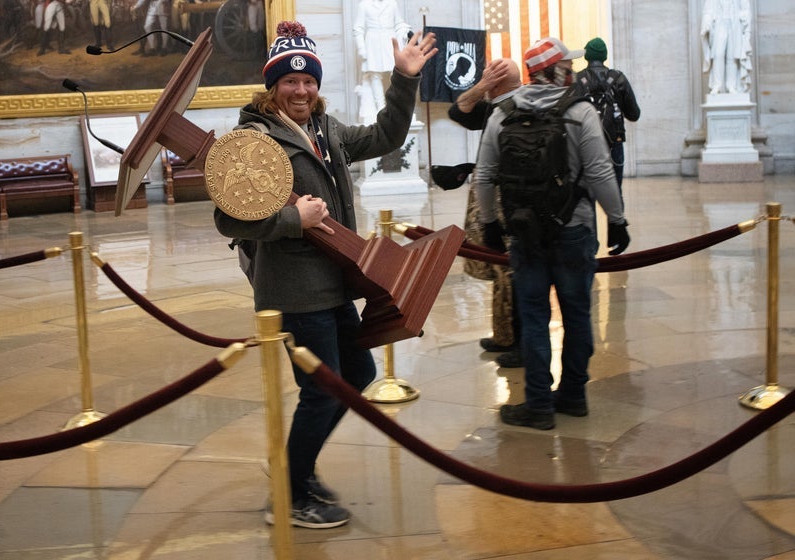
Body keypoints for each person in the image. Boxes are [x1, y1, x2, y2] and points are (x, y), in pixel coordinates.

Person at [214, 20, 438, 528]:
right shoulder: (253, 140)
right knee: (322, 389)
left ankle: (297, 464)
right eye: (290, 81)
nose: (301, 90)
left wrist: (404, 79)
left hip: (335, 282)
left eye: (309, 80)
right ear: (272, 86)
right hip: (294, 290)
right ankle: (291, 495)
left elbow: (386, 135)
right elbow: (228, 219)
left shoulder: (326, 129)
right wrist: (294, 219)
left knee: (357, 375)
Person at [474, 37, 630, 430]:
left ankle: (539, 404)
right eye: (567, 65)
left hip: (525, 233)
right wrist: (617, 218)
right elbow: (600, 171)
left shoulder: (502, 113)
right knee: (577, 315)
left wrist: (490, 224)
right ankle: (573, 395)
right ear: (556, 70)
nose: (573, 71)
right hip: (574, 230)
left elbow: (484, 176)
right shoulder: (580, 111)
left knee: (533, 317)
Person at [448, 58, 524, 368]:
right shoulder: (494, 107)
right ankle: (505, 335)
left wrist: (485, 85)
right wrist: (483, 86)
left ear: (497, 83)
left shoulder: (518, 107)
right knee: (501, 271)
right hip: (494, 198)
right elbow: (458, 110)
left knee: (512, 273)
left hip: (510, 202)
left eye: (488, 77)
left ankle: (520, 343)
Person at [575, 37, 640, 201]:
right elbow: (634, 114)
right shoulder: (618, 79)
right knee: (615, 195)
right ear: (604, 56)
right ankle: (616, 218)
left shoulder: (577, 80)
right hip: (614, 143)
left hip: (586, 144)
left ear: (587, 56)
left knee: (586, 198)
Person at [353, 0, 411, 122]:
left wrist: (404, 31)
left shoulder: (392, 3)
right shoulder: (364, 5)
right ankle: (380, 107)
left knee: (395, 73)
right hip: (372, 41)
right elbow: (358, 28)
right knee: (375, 74)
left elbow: (399, 23)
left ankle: (394, 105)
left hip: (389, 40)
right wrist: (361, 48)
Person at [701, 0, 751, 95]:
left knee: (732, 56)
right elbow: (708, 9)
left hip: (735, 24)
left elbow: (745, 8)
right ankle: (717, 85)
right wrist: (707, 22)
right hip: (719, 23)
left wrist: (745, 22)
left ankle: (731, 86)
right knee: (718, 54)